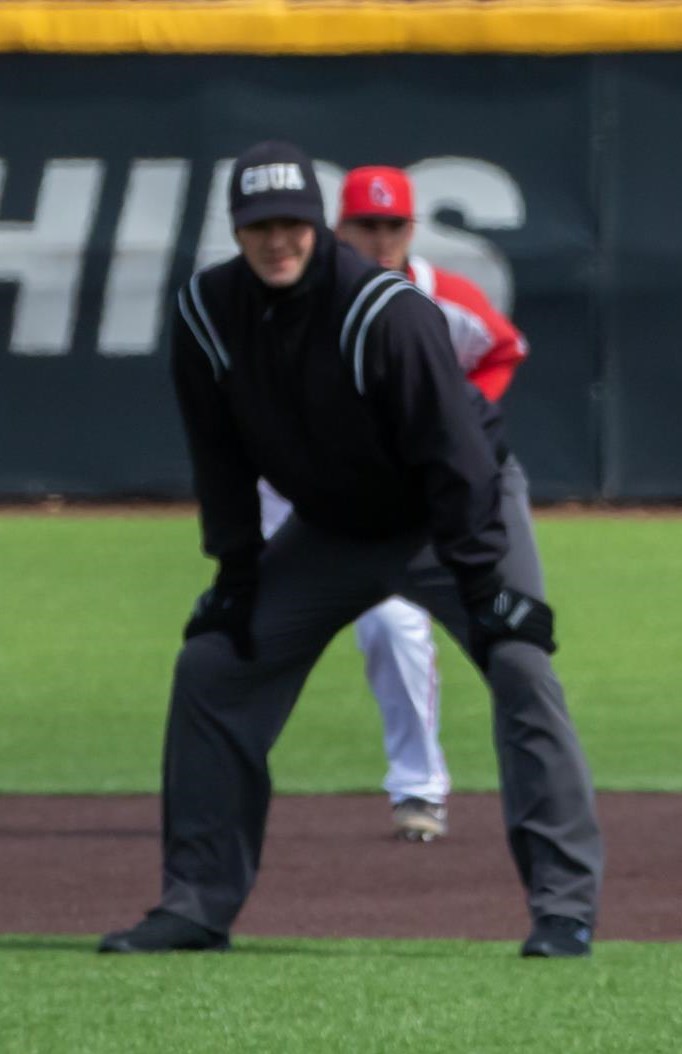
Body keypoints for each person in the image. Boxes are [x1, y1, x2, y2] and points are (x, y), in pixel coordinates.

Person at [98, 140, 603, 957]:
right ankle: (195, 905)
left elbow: (458, 456)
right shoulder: (206, 311)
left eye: (293, 223)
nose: (278, 241)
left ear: (317, 228)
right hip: (333, 530)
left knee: (519, 663)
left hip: (449, 518)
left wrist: (484, 584)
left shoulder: (384, 311)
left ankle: (563, 909)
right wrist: (235, 573)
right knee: (212, 668)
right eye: (260, 225)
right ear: (237, 229)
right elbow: (218, 452)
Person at [251, 164, 532, 843]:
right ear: (336, 228)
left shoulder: (442, 295)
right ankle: (225, 792)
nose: (379, 237)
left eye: (392, 224)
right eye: (364, 224)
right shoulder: (291, 298)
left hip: (396, 506)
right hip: (295, 491)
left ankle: (417, 790)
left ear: (411, 229)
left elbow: (503, 348)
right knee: (242, 647)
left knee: (393, 626)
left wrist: (461, 421)